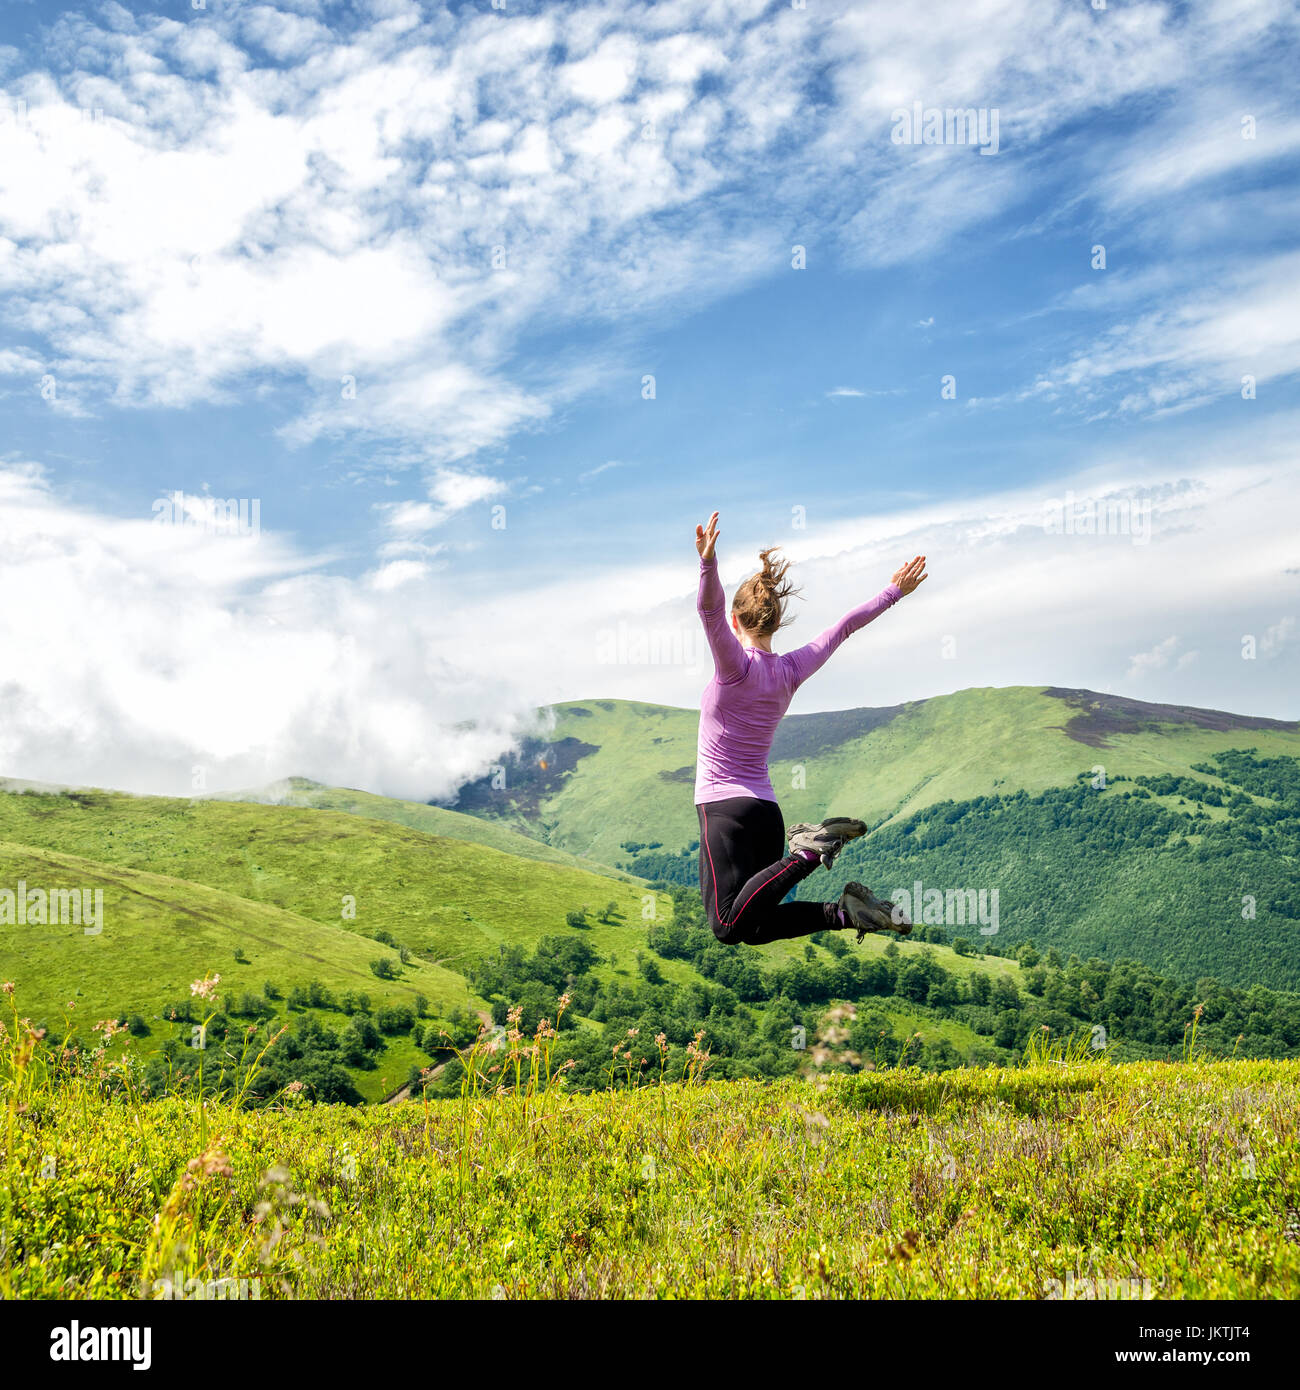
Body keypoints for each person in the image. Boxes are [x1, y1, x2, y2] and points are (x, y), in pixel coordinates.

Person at [692, 510, 927, 946]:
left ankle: (809, 850)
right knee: (755, 926)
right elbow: (844, 628)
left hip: (724, 810)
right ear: (775, 623)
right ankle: (843, 912)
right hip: (765, 814)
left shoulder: (733, 668)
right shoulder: (791, 670)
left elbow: (708, 611)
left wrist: (708, 564)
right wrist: (894, 591)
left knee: (726, 926)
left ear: (736, 621)